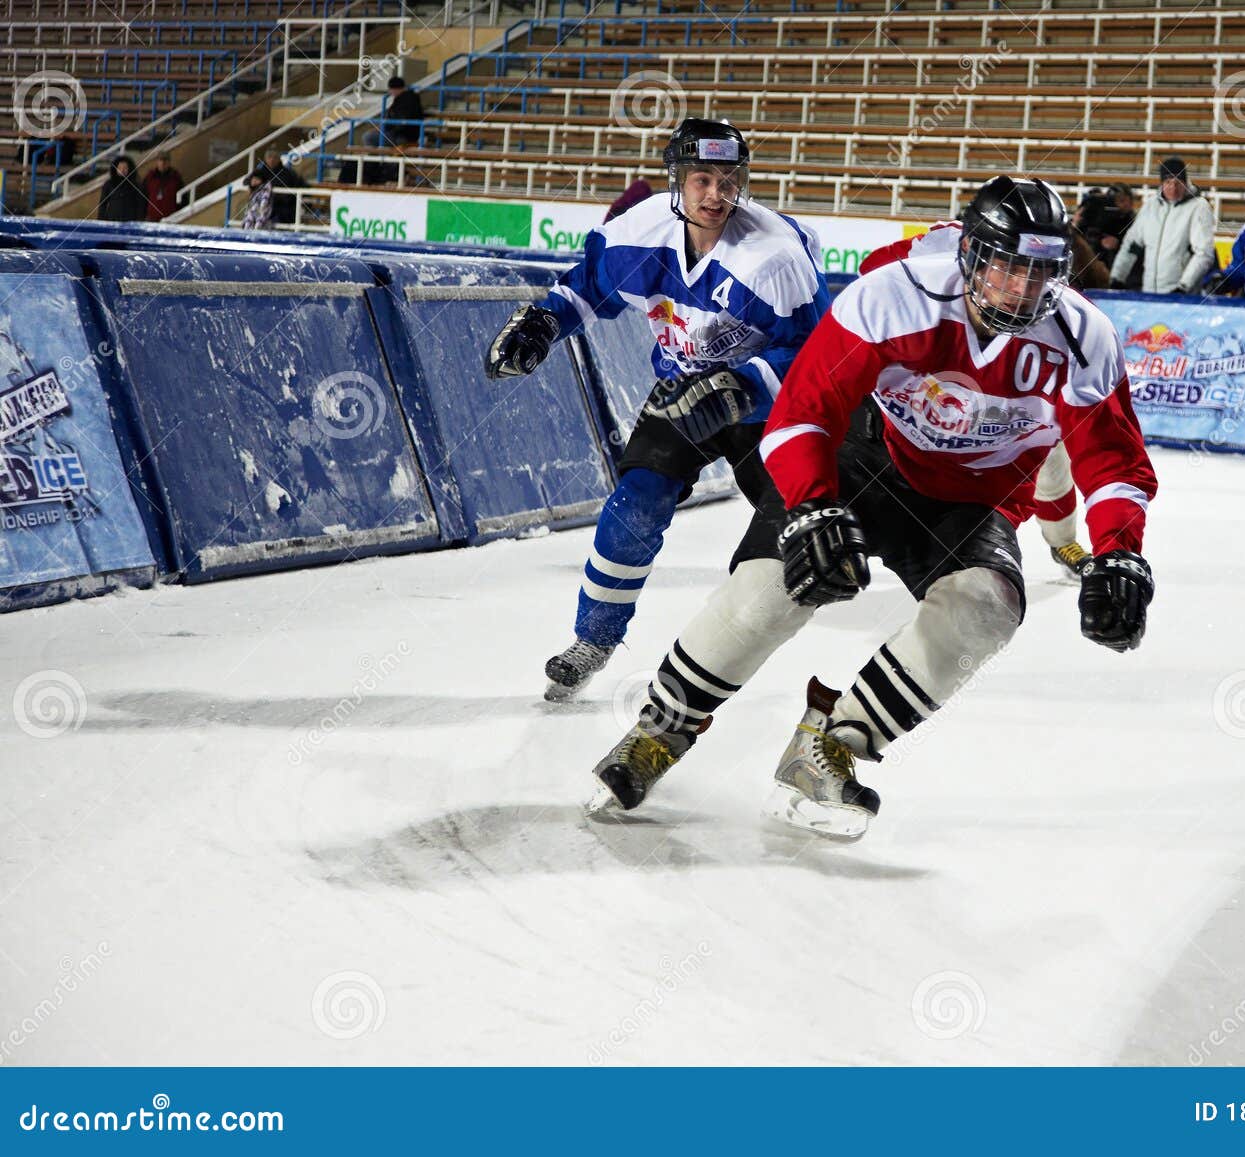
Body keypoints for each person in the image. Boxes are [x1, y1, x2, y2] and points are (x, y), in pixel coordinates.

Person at [582, 176, 1157, 839]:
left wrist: (1120, 548)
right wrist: (811, 507)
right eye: (1006, 265)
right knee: (770, 588)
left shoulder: (1086, 337)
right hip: (867, 450)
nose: (1021, 288)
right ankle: (661, 728)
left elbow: (1114, 461)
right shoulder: (896, 294)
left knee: (987, 610)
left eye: (1040, 272)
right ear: (969, 254)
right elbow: (802, 410)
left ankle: (831, 746)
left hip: (971, 498)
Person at [484, 118, 829, 701]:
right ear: (676, 180)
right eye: (702, 180)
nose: (717, 195)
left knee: (799, 526)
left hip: (763, 407)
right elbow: (585, 289)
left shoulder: (775, 254)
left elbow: (817, 354)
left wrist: (744, 386)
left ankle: (732, 651)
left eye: (729, 180)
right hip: (682, 391)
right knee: (635, 502)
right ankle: (593, 639)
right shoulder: (639, 231)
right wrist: (543, 323)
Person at [854, 210, 1108, 580]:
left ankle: (1062, 540)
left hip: (1005, 373)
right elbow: (872, 273)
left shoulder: (1047, 264)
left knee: (1051, 454)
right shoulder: (945, 241)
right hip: (941, 368)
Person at [1109, 156, 1215, 295]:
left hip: (1181, 297)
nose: (1173, 187)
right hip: (1149, 294)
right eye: (1168, 182)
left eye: (1178, 182)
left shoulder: (1198, 206)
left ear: (1185, 182)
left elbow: (1204, 253)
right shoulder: (1150, 206)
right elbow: (1131, 245)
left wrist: (1183, 287)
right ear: (1162, 183)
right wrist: (1117, 278)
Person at [1074, 182, 1136, 272]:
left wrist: (1118, 245)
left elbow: (1138, 247)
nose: (1126, 204)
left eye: (1128, 200)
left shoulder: (1134, 221)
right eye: (1121, 201)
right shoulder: (1100, 217)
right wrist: (1076, 223)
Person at [366, 76, 425, 148]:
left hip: (402, 137)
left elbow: (399, 122)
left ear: (395, 89)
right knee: (373, 135)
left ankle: (374, 157)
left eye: (390, 89)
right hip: (408, 135)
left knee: (369, 137)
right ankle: (376, 155)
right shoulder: (409, 98)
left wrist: (384, 128)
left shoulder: (403, 101)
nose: (390, 92)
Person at [257, 149, 308, 225]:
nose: (272, 160)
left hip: (284, 208)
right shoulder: (259, 173)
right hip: (264, 205)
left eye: (275, 157)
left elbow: (303, 187)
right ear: (265, 159)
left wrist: (288, 198)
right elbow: (248, 182)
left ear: (279, 159)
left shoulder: (288, 173)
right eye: (269, 157)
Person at [97, 155, 145, 222]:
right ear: (115, 169)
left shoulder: (136, 185)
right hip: (112, 222)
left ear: (129, 169)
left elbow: (141, 205)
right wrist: (101, 221)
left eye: (125, 168)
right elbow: (102, 205)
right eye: (119, 168)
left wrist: (139, 220)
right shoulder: (108, 184)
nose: (122, 170)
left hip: (130, 222)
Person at [142, 153, 183, 222]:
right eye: (160, 160)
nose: (162, 163)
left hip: (170, 218)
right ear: (157, 162)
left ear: (169, 162)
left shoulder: (175, 178)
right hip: (152, 217)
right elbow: (143, 196)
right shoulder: (150, 177)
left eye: (165, 160)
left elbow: (182, 198)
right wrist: (143, 214)